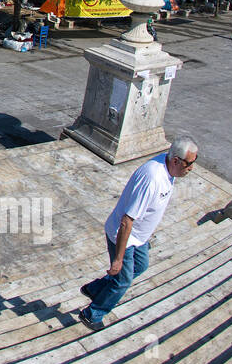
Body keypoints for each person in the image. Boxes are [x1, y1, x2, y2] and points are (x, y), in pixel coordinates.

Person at [78, 138, 198, 331]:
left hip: (139, 237)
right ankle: (92, 314)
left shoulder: (169, 168)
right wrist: (118, 259)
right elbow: (127, 221)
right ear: (175, 160)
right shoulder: (152, 179)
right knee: (123, 280)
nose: (192, 168)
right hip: (124, 237)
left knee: (141, 266)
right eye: (189, 163)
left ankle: (95, 289)